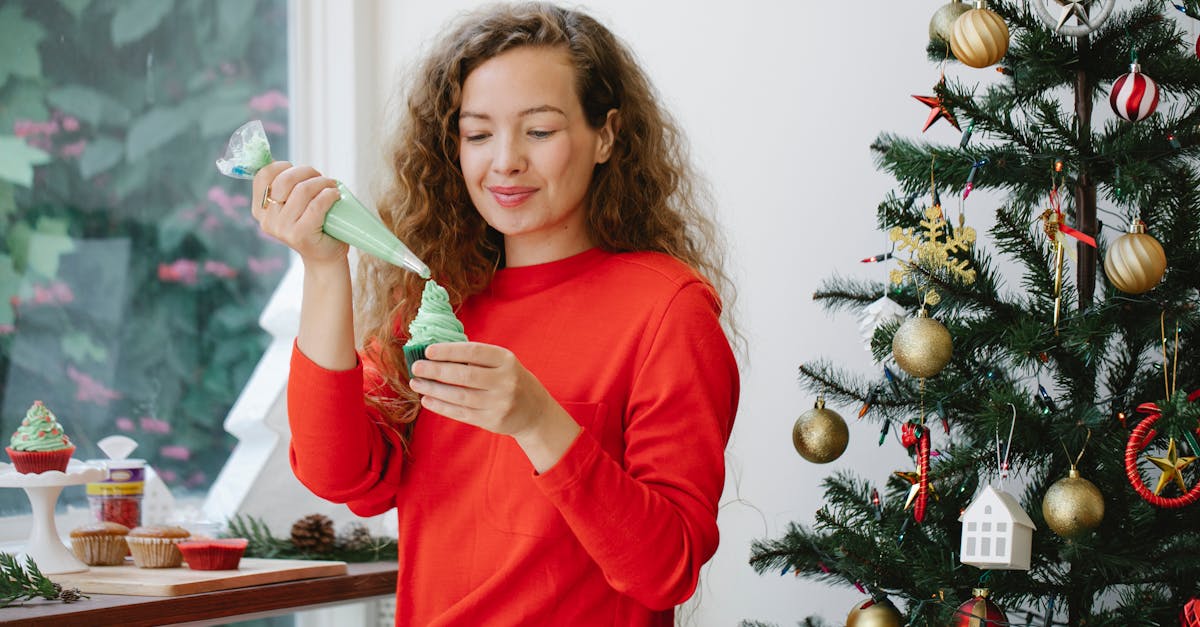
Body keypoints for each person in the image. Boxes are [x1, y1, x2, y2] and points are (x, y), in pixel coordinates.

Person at [250, 3, 739, 625]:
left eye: (539, 131)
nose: (504, 160)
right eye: (478, 134)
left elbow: (665, 569)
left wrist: (538, 421)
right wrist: (323, 269)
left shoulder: (669, 309)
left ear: (607, 135)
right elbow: (340, 474)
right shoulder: (435, 298)